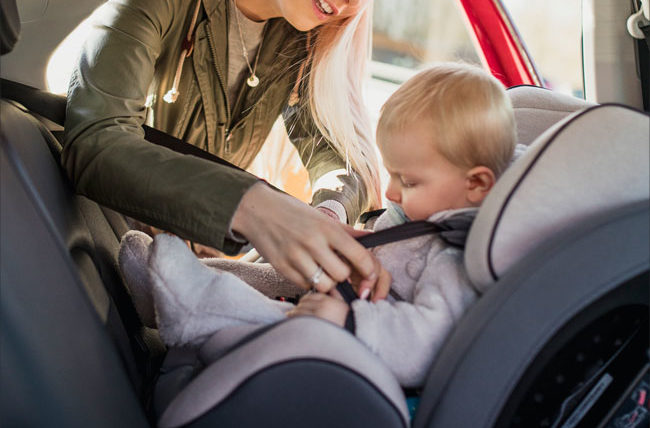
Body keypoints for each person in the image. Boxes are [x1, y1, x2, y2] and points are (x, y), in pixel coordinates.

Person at [119, 62, 519, 388]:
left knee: (270, 316)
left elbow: (425, 345)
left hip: (345, 346)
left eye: (409, 181)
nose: (392, 193)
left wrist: (347, 321)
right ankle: (166, 283)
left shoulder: (456, 259)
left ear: (477, 184)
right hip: (341, 294)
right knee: (273, 274)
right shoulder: (425, 216)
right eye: (392, 175)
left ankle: (187, 300)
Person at [62, 0, 389, 297]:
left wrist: (327, 216)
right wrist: (252, 208)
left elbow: (340, 153)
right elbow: (97, 141)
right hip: (107, 246)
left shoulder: (304, 38)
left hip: (188, 263)